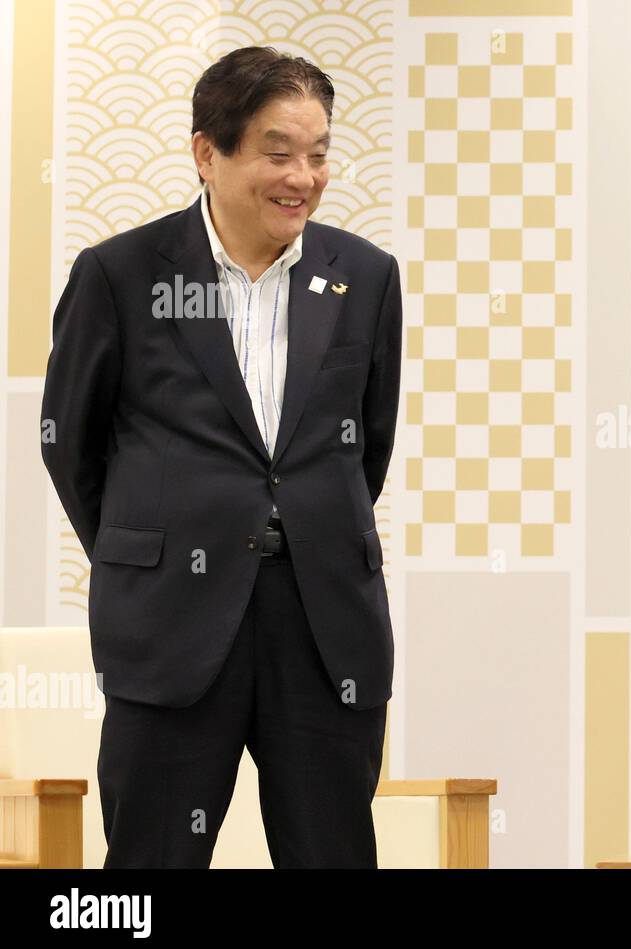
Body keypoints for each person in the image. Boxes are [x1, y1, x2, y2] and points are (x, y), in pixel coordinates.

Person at [39, 46, 402, 867]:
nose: (302, 177)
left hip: (323, 622)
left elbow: (365, 448)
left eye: (318, 154)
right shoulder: (122, 274)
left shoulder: (365, 277)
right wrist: (150, 550)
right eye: (277, 153)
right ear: (208, 152)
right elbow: (71, 442)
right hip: (170, 622)